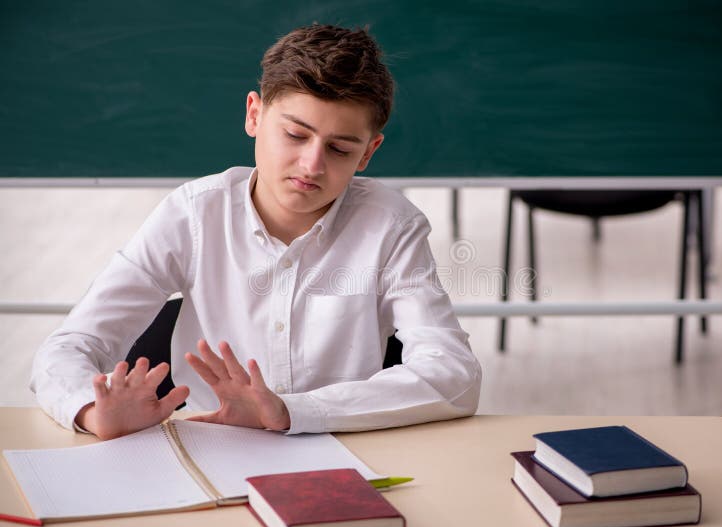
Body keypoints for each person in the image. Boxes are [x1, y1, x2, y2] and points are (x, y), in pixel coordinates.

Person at [31, 24, 481, 440]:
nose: (312, 166)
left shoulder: (392, 225)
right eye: (294, 135)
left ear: (368, 153)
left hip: (342, 450)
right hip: (212, 447)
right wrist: (91, 411)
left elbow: (454, 375)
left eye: (340, 149)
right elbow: (71, 345)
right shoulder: (193, 214)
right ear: (254, 115)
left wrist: (288, 411)